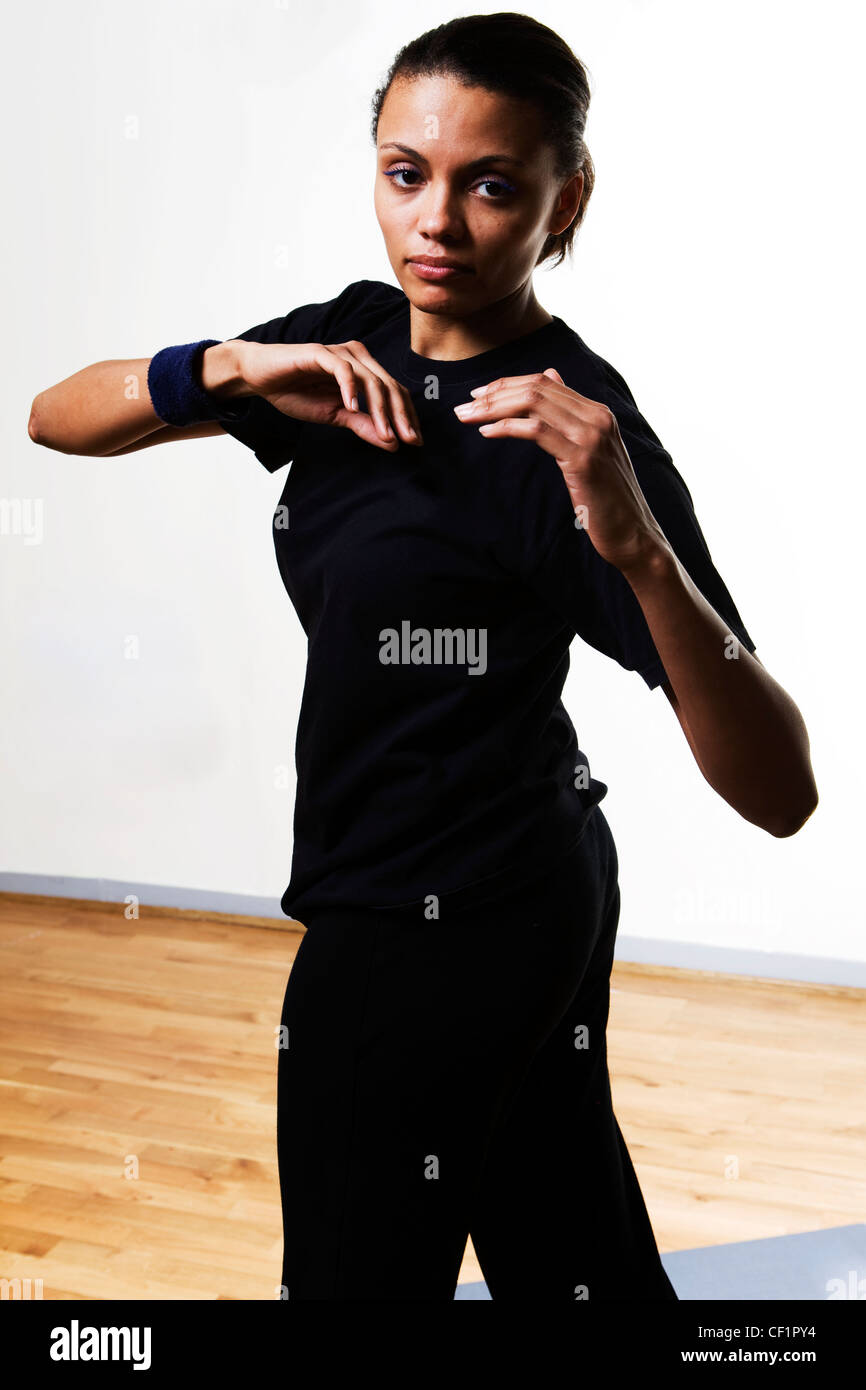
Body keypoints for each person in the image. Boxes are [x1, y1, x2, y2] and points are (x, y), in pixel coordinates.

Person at [28, 13, 817, 1302]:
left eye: (492, 185)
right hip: (513, 878)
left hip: (427, 920)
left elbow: (778, 789)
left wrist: (633, 545)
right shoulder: (345, 341)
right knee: (570, 1250)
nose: (436, 223)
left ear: (569, 199)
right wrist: (228, 367)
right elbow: (57, 420)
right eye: (407, 174)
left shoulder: (572, 435)